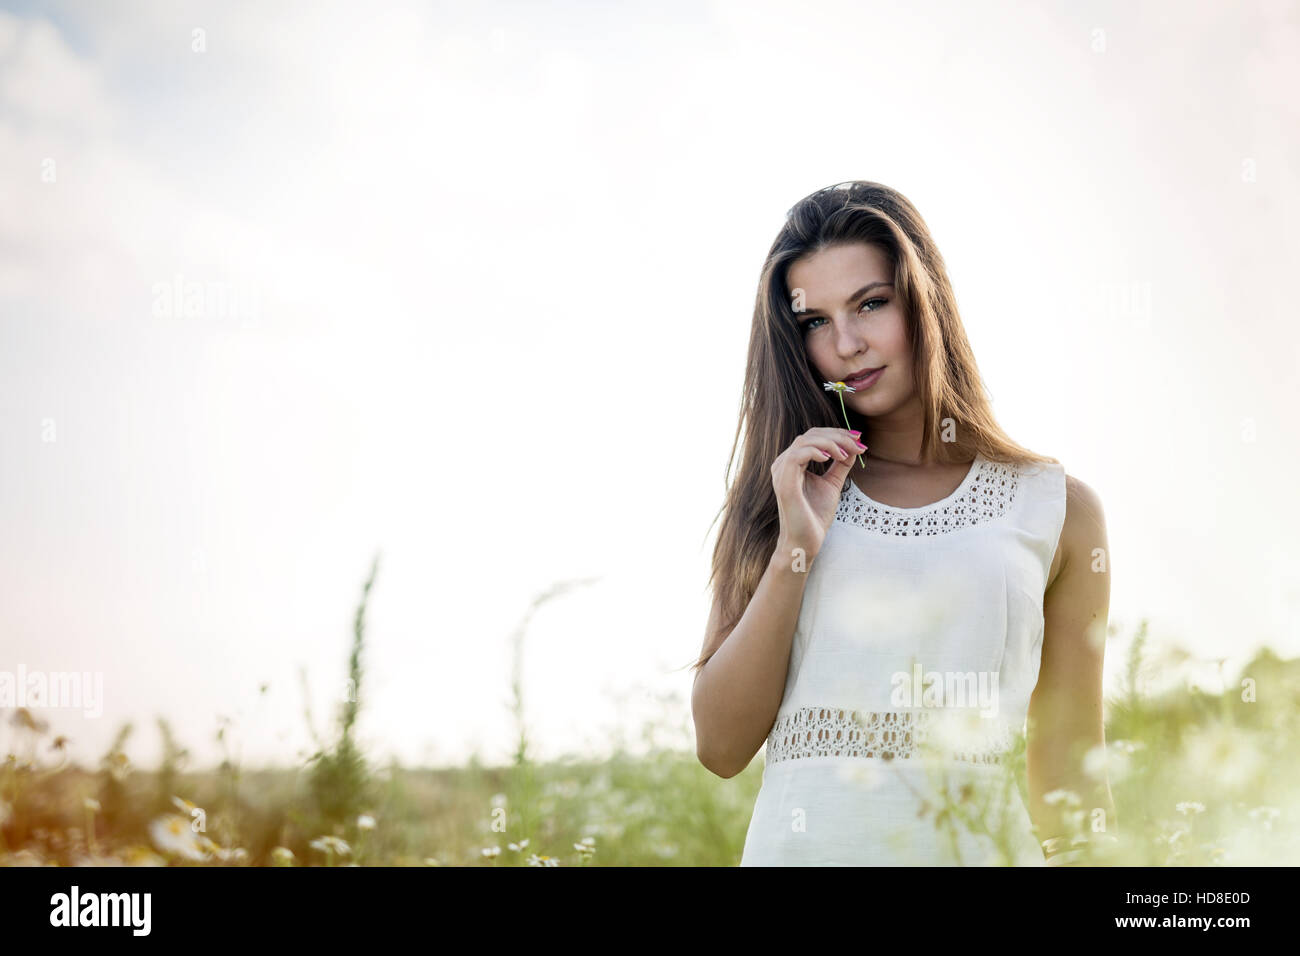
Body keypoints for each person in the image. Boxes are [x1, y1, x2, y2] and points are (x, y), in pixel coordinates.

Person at [690, 181, 1115, 866]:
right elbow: (720, 746)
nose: (849, 343)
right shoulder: (781, 498)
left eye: (871, 304)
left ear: (925, 300)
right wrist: (796, 548)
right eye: (815, 321)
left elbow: (1070, 775)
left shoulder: (1056, 509)